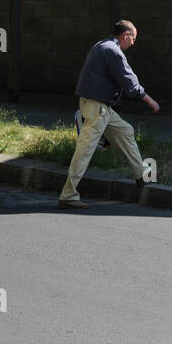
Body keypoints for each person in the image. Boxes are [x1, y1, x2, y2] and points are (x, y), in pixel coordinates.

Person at [59, 19, 160, 209]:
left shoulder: (101, 45)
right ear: (126, 35)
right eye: (133, 38)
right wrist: (150, 100)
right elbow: (130, 83)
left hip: (99, 107)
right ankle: (68, 195)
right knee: (84, 151)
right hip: (97, 108)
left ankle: (141, 173)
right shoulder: (113, 52)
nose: (133, 43)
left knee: (125, 131)